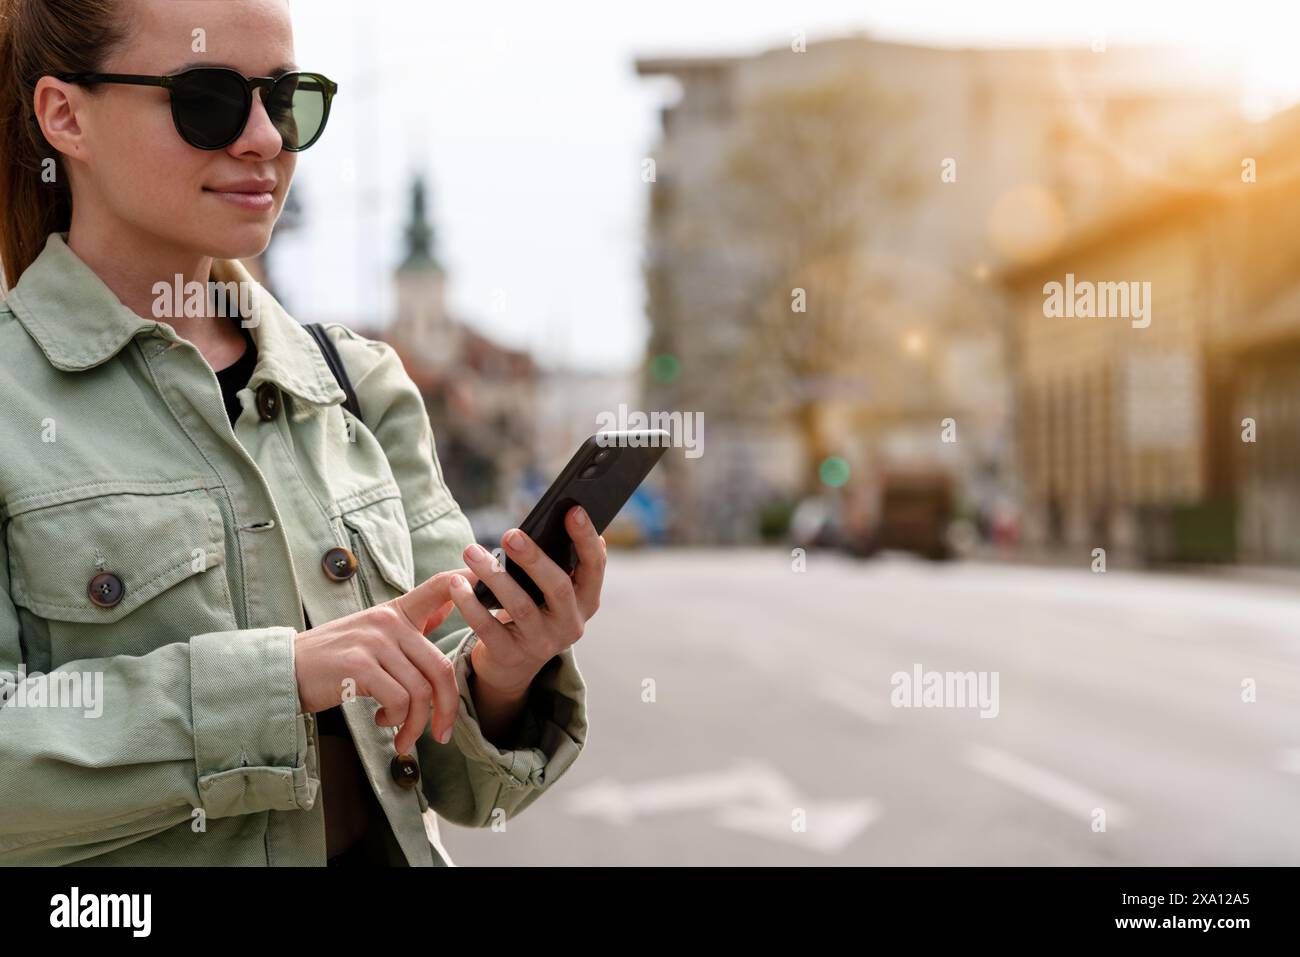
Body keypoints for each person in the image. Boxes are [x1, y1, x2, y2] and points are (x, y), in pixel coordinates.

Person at [0, 0, 599, 866]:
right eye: (207, 99)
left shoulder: (359, 389)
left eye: (286, 100)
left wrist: (506, 672)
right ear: (66, 116)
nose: (263, 140)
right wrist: (275, 683)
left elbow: (464, 782)